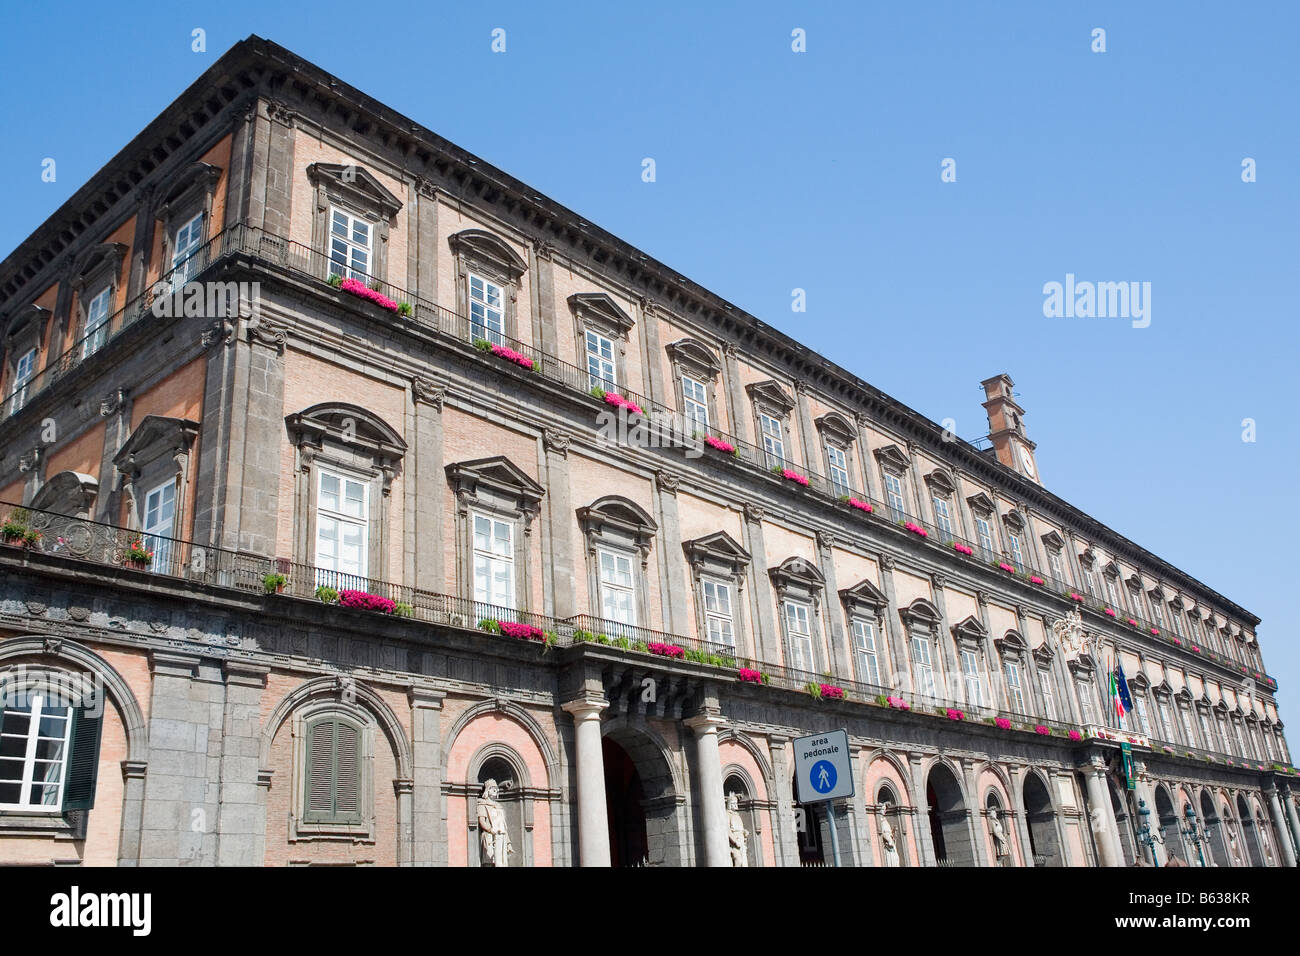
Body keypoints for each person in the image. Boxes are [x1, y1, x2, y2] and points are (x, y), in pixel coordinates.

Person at [477, 779, 513, 867]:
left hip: (501, 837)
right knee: (489, 861)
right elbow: (482, 821)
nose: (495, 790)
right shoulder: (482, 805)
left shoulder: (499, 807)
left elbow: (503, 826)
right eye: (493, 788)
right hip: (489, 836)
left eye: (496, 789)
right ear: (487, 790)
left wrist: (508, 843)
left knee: (501, 863)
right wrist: (490, 830)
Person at [727, 792, 749, 867]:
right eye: (733, 803)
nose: (735, 805)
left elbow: (741, 828)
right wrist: (735, 841)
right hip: (734, 842)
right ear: (729, 804)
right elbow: (727, 830)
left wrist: (744, 832)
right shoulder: (727, 814)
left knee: (744, 862)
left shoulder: (737, 815)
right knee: (738, 860)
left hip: (741, 840)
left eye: (736, 803)